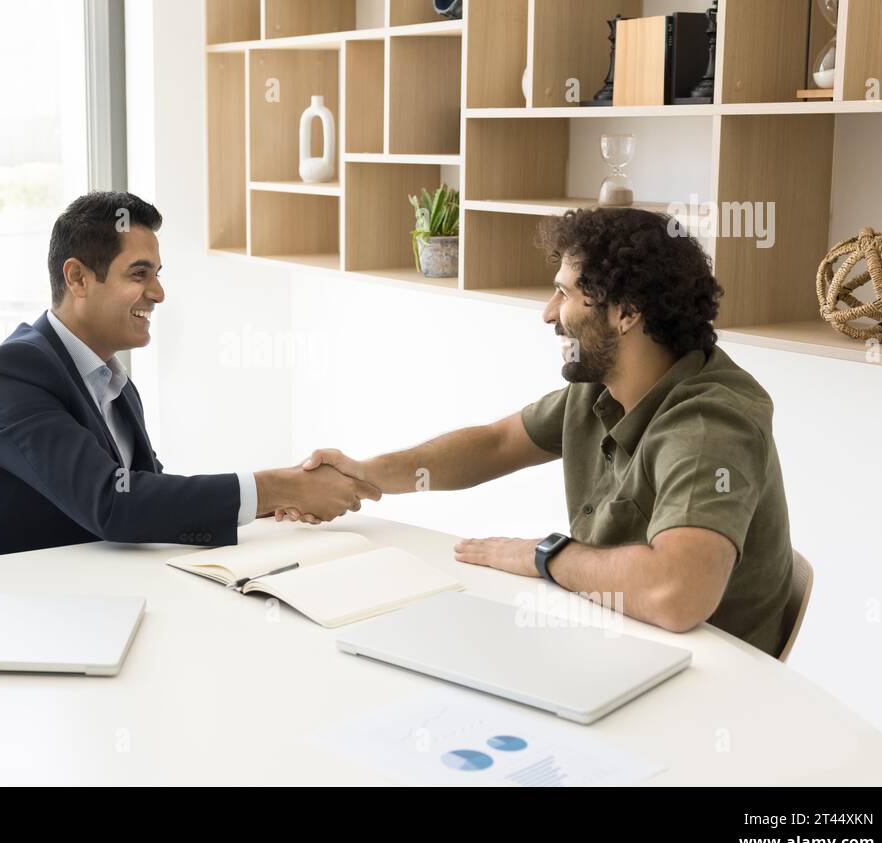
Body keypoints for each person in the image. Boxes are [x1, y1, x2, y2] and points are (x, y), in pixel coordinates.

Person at [286, 207, 793, 656]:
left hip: (703, 680)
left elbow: (677, 594)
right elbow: (496, 443)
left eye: (565, 294)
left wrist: (543, 555)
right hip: (618, 639)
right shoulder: (604, 385)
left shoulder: (708, 425)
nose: (549, 313)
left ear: (627, 313)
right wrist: (368, 474)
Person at [0, 190, 377, 563]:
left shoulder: (111, 381)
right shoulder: (11, 375)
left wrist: (280, 499)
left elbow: (151, 497)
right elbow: (112, 503)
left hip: (87, 598)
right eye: (139, 273)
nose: (159, 293)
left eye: (157, 274)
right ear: (78, 278)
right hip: (1, 621)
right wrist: (275, 487)